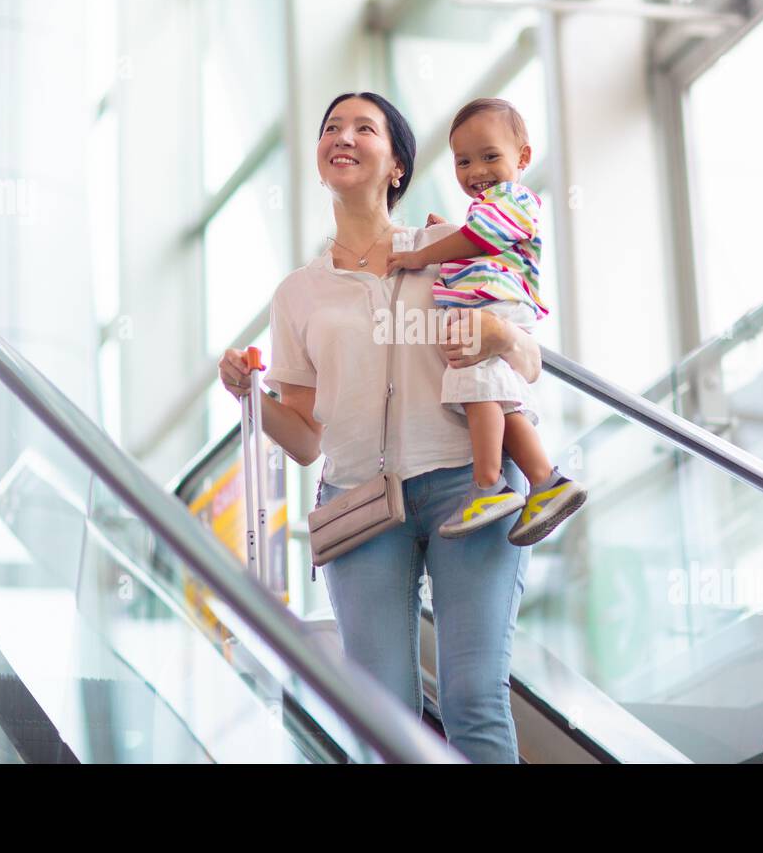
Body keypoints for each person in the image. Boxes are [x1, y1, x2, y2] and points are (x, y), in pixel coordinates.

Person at [217, 91, 542, 763]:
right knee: (384, 720)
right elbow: (306, 438)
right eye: (330, 126)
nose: (343, 135)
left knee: (473, 697)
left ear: (397, 164)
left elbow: (529, 359)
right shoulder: (298, 294)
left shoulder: (447, 245)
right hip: (359, 505)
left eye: (364, 128)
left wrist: (496, 330)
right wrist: (250, 395)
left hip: (468, 484)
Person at [387, 98, 586, 545]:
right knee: (498, 397)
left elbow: (479, 239)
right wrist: (448, 233)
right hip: (492, 303)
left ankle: (487, 485)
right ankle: (546, 482)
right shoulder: (496, 203)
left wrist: (423, 253)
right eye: (463, 161)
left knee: (476, 389)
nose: (476, 170)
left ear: (524, 157)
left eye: (490, 156)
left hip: (495, 308)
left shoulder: (513, 198)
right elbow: (479, 239)